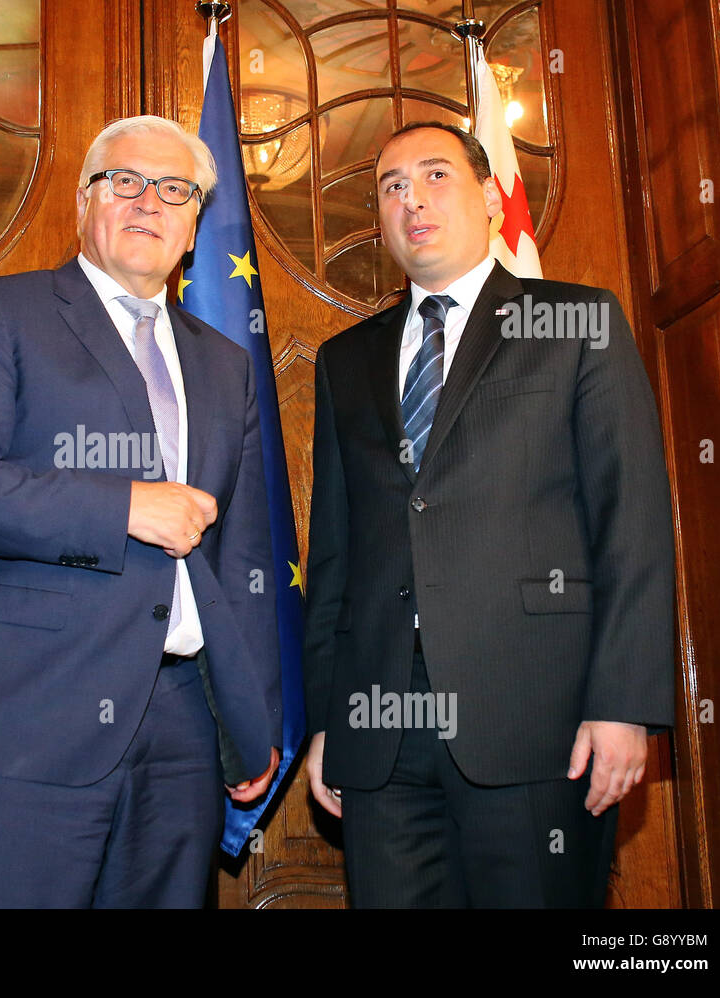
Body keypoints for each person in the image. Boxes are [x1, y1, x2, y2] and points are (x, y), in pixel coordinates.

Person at [0, 115, 282, 908]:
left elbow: (240, 560)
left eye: (175, 190)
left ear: (193, 226)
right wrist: (122, 506)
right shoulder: (1, 312)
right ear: (83, 203)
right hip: (24, 714)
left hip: (182, 726)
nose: (149, 201)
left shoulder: (225, 364)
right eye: (126, 181)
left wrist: (253, 717)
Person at [302, 121, 675, 907]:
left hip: (538, 716)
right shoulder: (345, 361)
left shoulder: (578, 322)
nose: (412, 199)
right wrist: (326, 719)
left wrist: (624, 705)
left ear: (490, 194)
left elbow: (631, 528)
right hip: (382, 728)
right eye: (392, 186)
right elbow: (337, 554)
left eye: (435, 176)